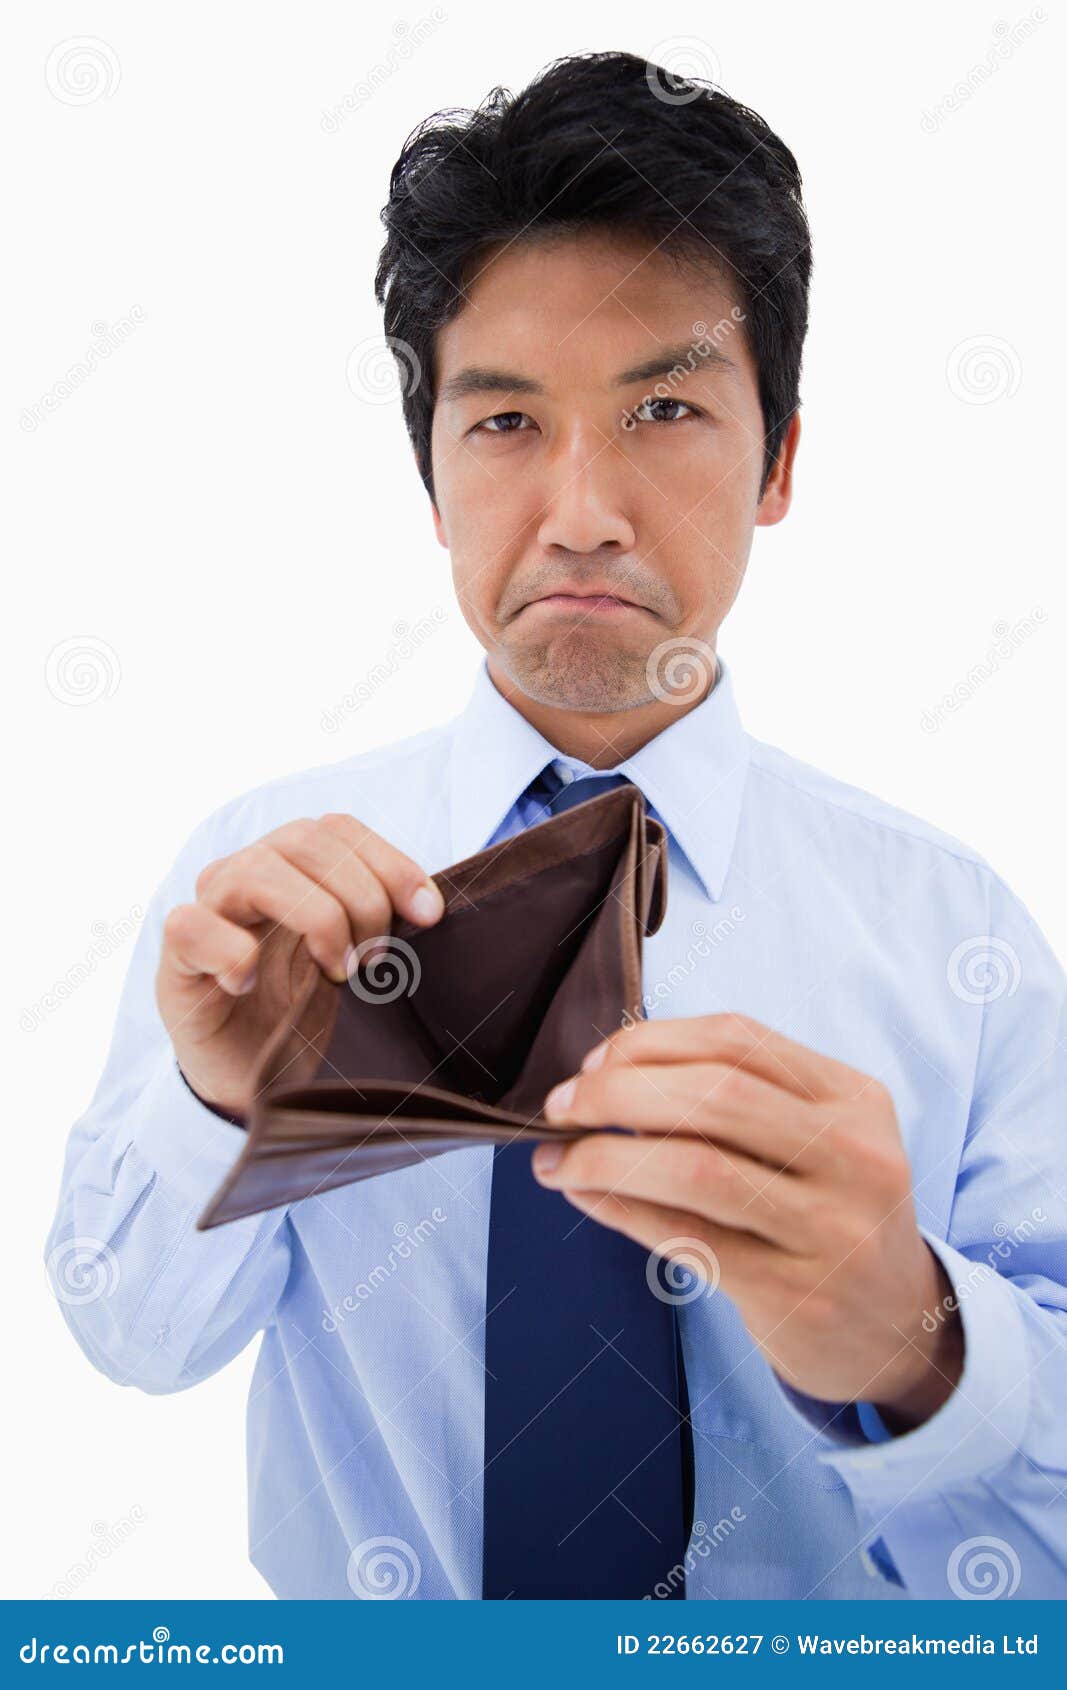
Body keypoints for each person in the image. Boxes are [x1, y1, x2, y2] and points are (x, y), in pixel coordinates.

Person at [45, 50, 1066, 1602]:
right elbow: (127, 1336)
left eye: (665, 405)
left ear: (780, 459)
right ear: (431, 479)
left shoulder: (958, 928)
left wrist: (918, 1339)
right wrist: (217, 1099)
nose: (582, 508)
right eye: (507, 421)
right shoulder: (262, 890)